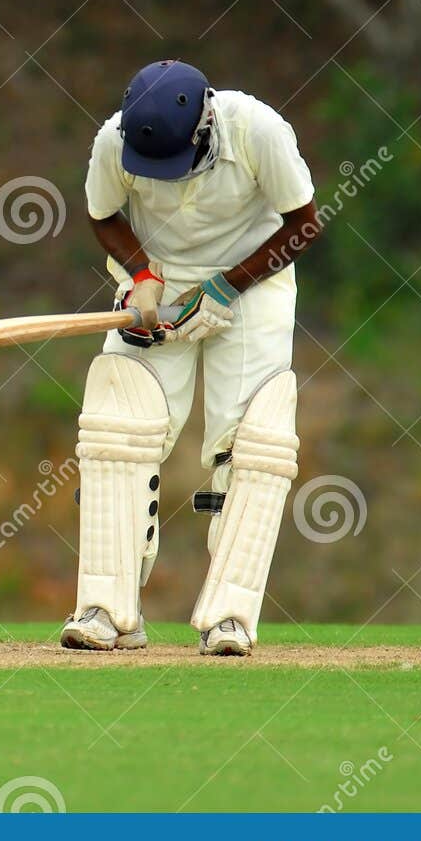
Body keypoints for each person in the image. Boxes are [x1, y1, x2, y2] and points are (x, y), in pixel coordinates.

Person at [62, 59, 324, 656]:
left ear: (205, 122)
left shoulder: (259, 130)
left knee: (254, 443)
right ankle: (107, 612)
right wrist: (142, 275)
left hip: (255, 276)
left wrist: (227, 286)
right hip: (161, 278)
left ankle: (230, 618)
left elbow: (305, 224)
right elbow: (103, 216)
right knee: (116, 429)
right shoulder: (113, 138)